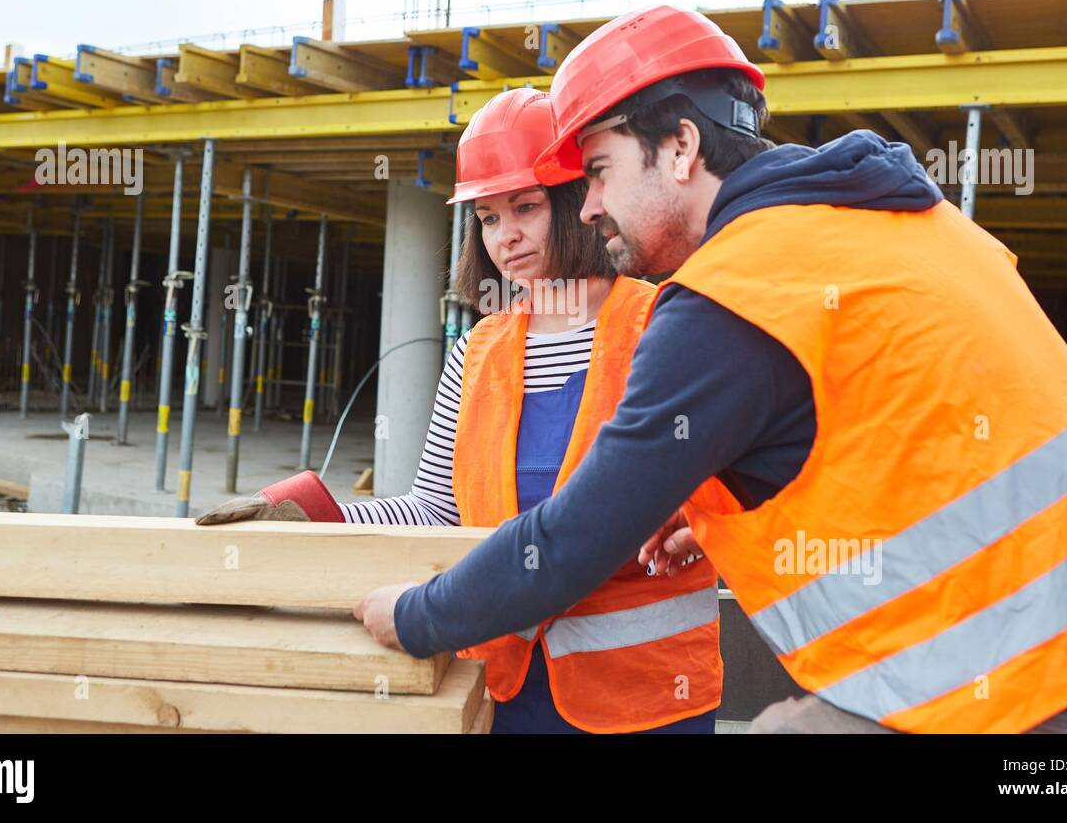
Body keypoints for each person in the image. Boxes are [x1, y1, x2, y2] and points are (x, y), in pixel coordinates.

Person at [356, 5, 1067, 734]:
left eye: (600, 170)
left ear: (680, 147)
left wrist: (417, 615)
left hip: (1031, 699)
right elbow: (904, 443)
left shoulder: (728, 298)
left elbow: (569, 543)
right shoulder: (904, 221)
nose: (592, 202)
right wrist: (714, 508)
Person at [198, 86, 730, 734]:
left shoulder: (662, 322)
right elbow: (435, 509)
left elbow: (730, 489)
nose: (506, 237)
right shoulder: (477, 353)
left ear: (576, 202)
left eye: (525, 208)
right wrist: (320, 515)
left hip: (645, 694)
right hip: (508, 683)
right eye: (487, 217)